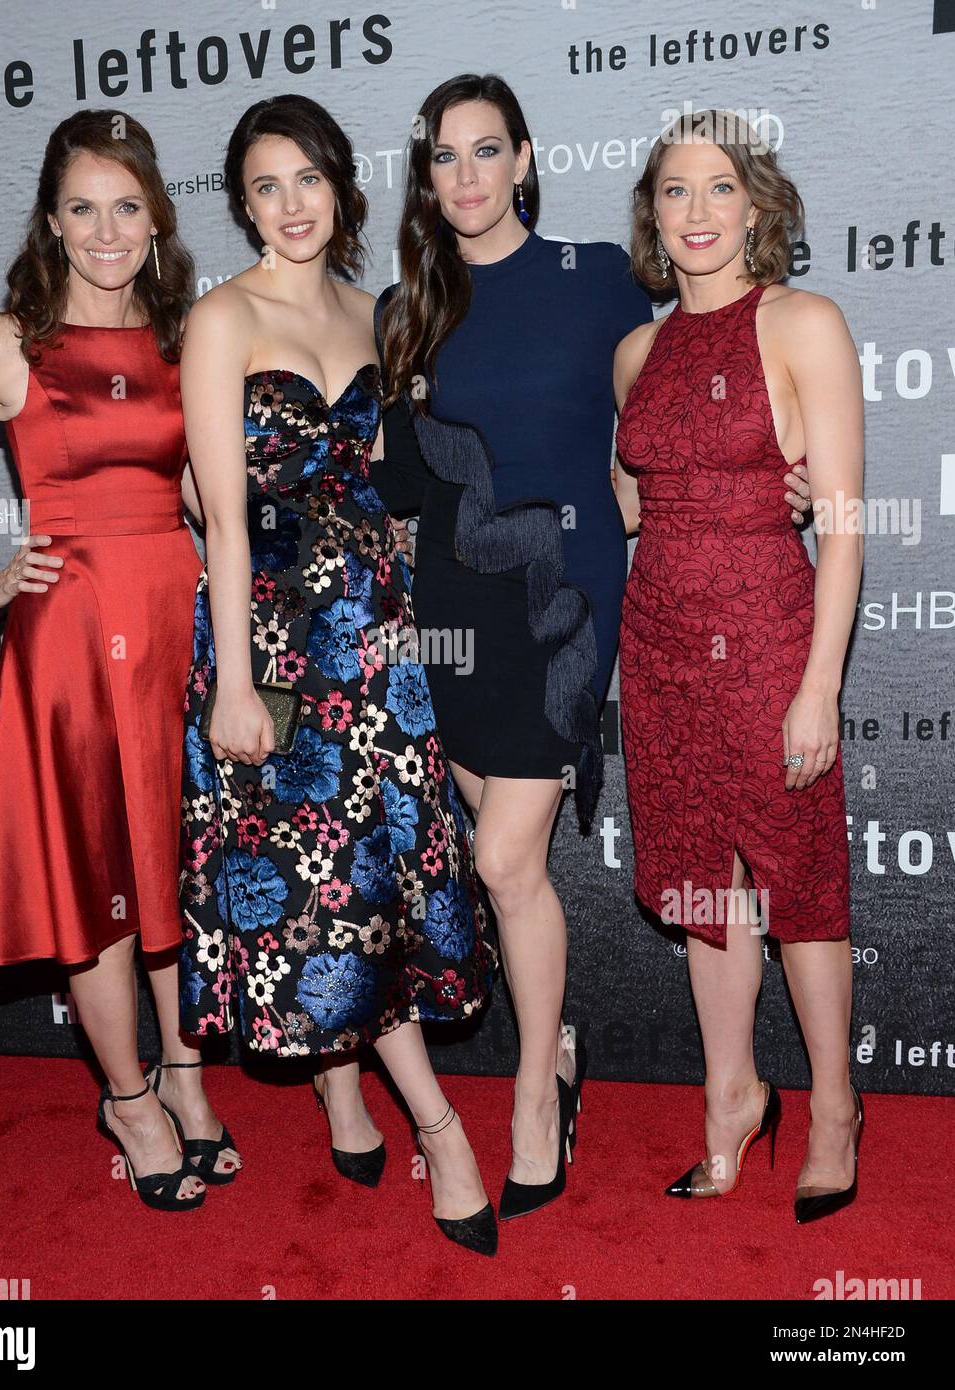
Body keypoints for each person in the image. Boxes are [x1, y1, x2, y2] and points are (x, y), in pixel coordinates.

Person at [370, 74, 817, 1220]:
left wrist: (788, 471)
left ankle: (531, 1093)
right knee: (506, 863)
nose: (467, 178)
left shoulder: (600, 280)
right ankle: (559, 1056)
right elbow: (406, 485)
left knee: (507, 860)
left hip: (565, 606)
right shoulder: (406, 306)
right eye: (444, 159)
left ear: (525, 159)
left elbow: (698, 378)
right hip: (449, 609)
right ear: (425, 180)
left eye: (488, 152)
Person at [0, 109, 240, 1212]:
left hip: (177, 624)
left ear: (157, 218)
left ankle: (186, 1072)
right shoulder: (9, 345)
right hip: (72, 644)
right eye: (82, 208)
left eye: (127, 206)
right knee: (95, 872)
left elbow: (203, 495)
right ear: (49, 220)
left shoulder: (191, 338)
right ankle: (128, 1097)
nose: (106, 230)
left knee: (175, 860)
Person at [175, 93, 499, 1255]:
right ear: (243, 203)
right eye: (265, 185)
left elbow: (397, 496)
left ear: (341, 187)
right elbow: (216, 520)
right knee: (325, 887)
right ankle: (442, 1124)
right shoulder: (220, 320)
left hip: (378, 633)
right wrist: (232, 687)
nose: (290, 204)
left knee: (387, 879)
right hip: (271, 641)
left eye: (307, 178)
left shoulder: (380, 313)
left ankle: (346, 1085)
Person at [614, 110, 863, 1223]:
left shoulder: (804, 321)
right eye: (676, 191)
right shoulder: (637, 349)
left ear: (757, 207)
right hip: (661, 639)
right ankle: (730, 1098)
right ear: (653, 215)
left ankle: (835, 1108)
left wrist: (818, 685)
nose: (699, 212)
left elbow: (846, 527)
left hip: (767, 630)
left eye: (721, 188)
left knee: (794, 881)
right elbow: (636, 503)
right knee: (706, 889)